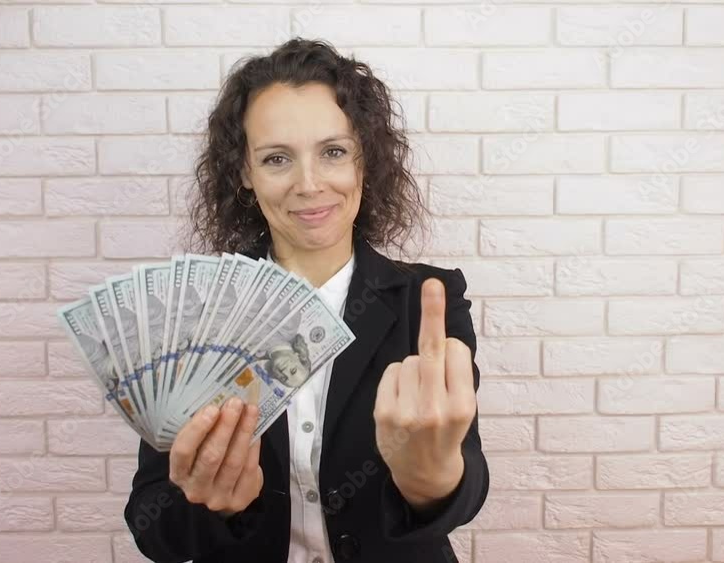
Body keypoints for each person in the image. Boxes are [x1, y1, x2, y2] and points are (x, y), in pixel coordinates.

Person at [124, 38, 489, 563]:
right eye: (277, 159)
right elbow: (153, 525)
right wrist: (217, 507)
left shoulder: (429, 302)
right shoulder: (192, 312)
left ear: (365, 160)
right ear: (245, 175)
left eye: (333, 152)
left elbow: (468, 488)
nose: (309, 183)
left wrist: (431, 479)